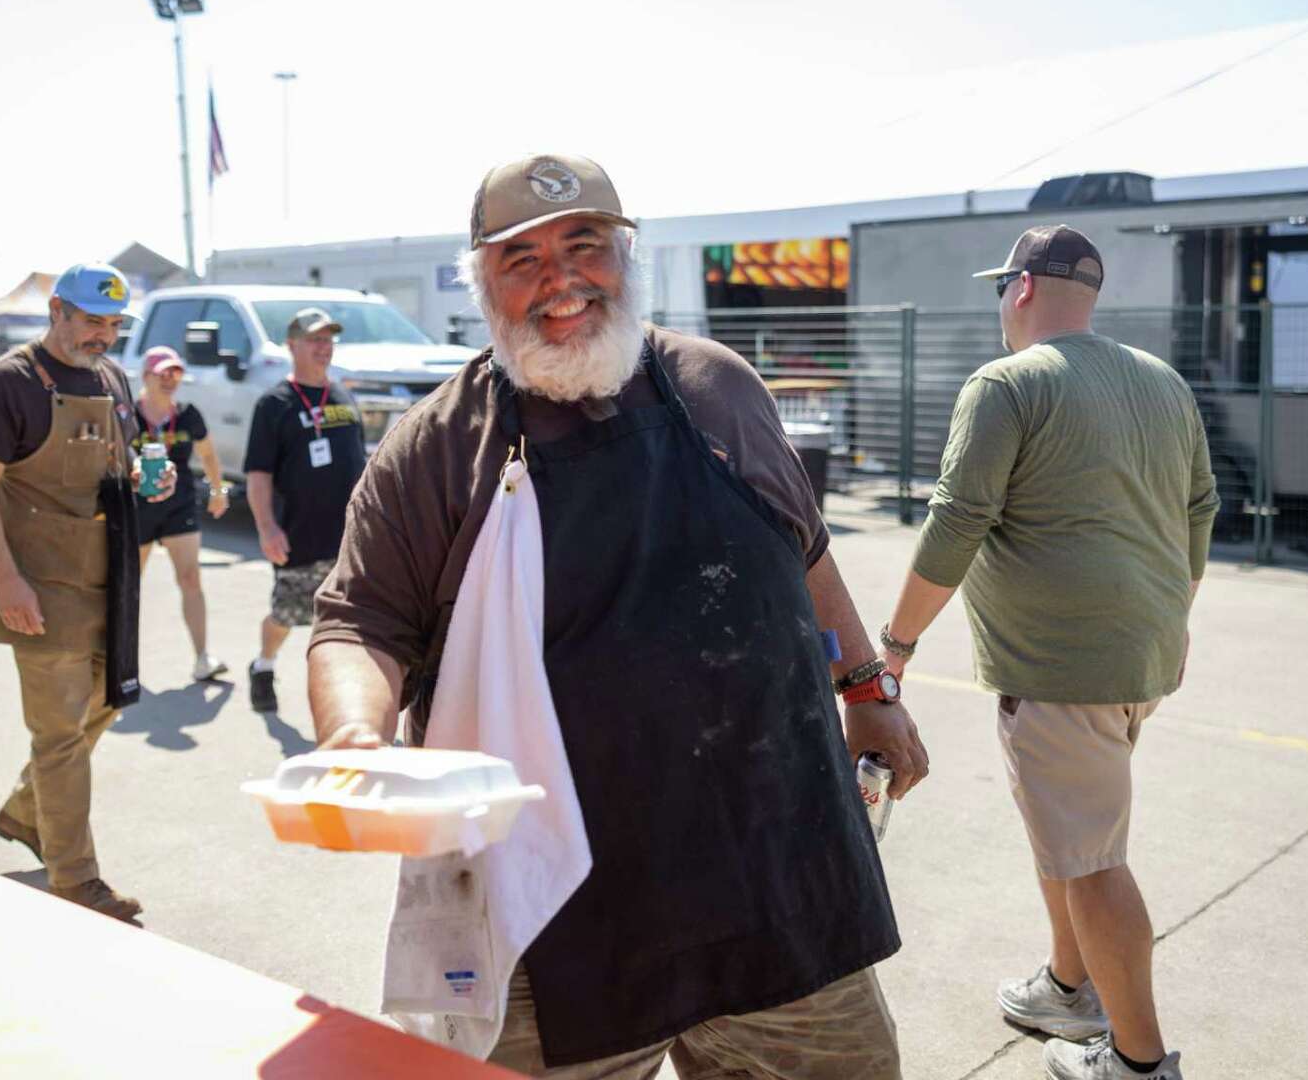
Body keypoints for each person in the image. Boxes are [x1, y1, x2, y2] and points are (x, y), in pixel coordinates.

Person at [306, 154, 928, 1078]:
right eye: (522, 259)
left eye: (584, 245)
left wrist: (866, 684)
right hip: (552, 914)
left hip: (774, 873)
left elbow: (800, 553)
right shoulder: (437, 448)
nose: (560, 279)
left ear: (625, 258)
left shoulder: (716, 385)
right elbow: (358, 622)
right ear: (483, 283)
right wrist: (355, 734)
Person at [880, 226, 1218, 1080]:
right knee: (1069, 836)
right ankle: (1069, 987)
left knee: (1094, 861)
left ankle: (1138, 1064)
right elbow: (1201, 509)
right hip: (1138, 655)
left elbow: (957, 520)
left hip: (1061, 666)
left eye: (1003, 288)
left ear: (1022, 288)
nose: (1002, 302)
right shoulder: (1161, 380)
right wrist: (1174, 613)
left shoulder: (1007, 384)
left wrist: (895, 645)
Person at [0, 262, 174, 923]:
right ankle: (76, 878)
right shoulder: (6, 383)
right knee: (58, 736)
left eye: (113, 325)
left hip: (109, 577)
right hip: (40, 585)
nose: (102, 337)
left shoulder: (109, 378)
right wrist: (6, 579)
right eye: (91, 321)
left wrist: (146, 478)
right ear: (56, 310)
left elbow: (120, 461)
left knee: (106, 704)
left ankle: (29, 814)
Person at [241, 307, 365, 714]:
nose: (323, 347)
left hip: (347, 539)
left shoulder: (344, 396)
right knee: (286, 614)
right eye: (314, 339)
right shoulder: (274, 404)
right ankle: (263, 664)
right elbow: (258, 474)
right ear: (291, 345)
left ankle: (342, 702)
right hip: (299, 534)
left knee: (343, 623)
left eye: (328, 339)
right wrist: (267, 528)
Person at [133, 344, 231, 683]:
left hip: (180, 504)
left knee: (190, 579)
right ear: (146, 376)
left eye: (176, 372)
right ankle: (119, 660)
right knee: (130, 585)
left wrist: (218, 491)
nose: (170, 379)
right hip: (137, 507)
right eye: (163, 373)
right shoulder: (128, 416)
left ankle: (203, 657)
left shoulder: (189, 414)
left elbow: (208, 455)